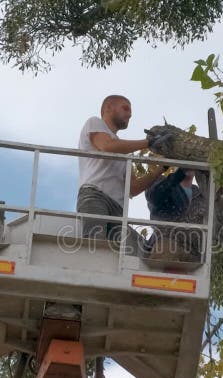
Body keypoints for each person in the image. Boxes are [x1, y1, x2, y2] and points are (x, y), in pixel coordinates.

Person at [77, 95, 169, 253]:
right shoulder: (94, 123)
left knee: (115, 259)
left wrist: (161, 168)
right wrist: (148, 143)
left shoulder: (124, 152)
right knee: (94, 250)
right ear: (108, 108)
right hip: (95, 196)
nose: (130, 114)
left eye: (130, 111)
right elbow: (106, 146)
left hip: (119, 207)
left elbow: (132, 188)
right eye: (125, 108)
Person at [144, 168, 203, 262]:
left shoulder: (202, 194)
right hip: (167, 243)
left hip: (194, 252)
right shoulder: (161, 181)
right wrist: (179, 175)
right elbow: (154, 196)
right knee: (165, 253)